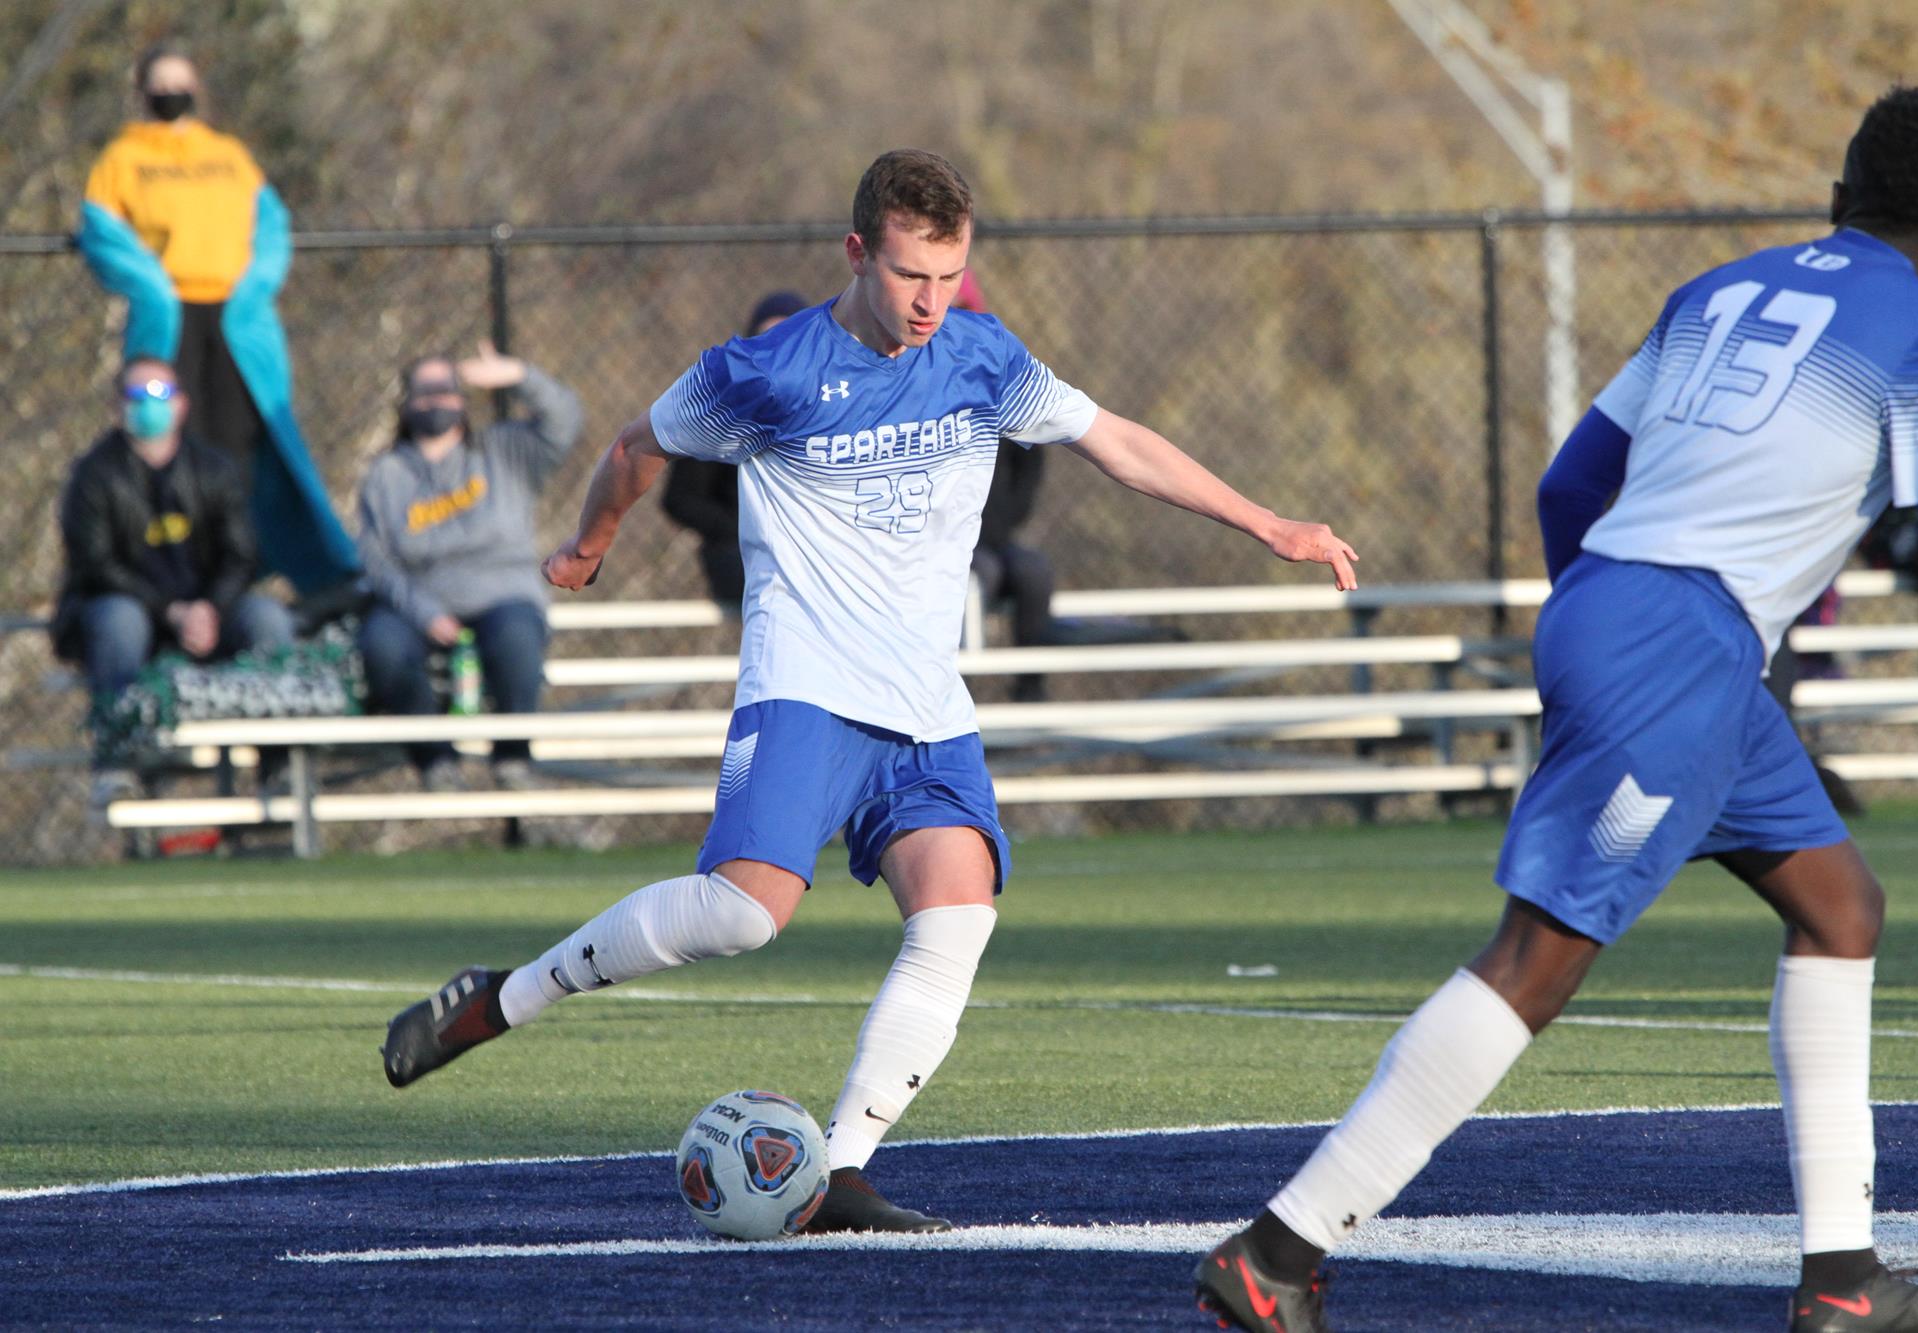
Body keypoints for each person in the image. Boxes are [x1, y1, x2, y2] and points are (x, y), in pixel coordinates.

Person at [379, 149, 1359, 1233]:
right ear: (856, 255)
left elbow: (1114, 442)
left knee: (958, 913)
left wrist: (1267, 522)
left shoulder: (982, 357)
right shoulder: (766, 372)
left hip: (925, 701)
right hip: (806, 681)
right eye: (907, 277)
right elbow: (631, 446)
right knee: (743, 915)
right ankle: (505, 996)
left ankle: (840, 1170)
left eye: (948, 276)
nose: (930, 302)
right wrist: (587, 542)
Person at [1195, 87, 1918, 1333]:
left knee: (1840, 909)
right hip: (1679, 644)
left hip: (1642, 621)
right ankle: (1276, 1253)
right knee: (1537, 958)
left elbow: (1569, 483)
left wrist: (1618, 626)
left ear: (1835, 201)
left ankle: (1841, 1280)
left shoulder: (1711, 291)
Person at [79, 41, 357, 599]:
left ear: (197, 90)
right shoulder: (122, 159)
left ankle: (243, 576)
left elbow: (270, 223)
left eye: (179, 83)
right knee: (172, 440)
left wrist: (254, 286)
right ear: (141, 93)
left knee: (242, 445)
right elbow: (101, 230)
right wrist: (152, 286)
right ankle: (172, 573)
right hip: (170, 319)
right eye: (158, 85)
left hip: (234, 320)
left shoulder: (229, 155)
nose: (170, 94)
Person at [52, 356, 295, 805]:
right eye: (137, 397)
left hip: (208, 615)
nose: (149, 406)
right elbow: (95, 565)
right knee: (118, 620)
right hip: (133, 613)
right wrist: (171, 611)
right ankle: (118, 763)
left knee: (268, 618)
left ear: (181, 405)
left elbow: (242, 556)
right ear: (117, 408)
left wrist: (209, 609)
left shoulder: (215, 470)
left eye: (160, 395)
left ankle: (278, 767)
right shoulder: (93, 475)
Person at [354, 343, 584, 790]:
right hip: (418, 601)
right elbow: (376, 560)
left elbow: (566, 421)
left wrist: (519, 374)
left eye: (445, 389)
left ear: (461, 399)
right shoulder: (386, 474)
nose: (436, 401)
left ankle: (513, 759)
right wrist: (425, 612)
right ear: (406, 402)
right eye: (424, 391)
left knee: (517, 637)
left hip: (502, 595)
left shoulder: (505, 450)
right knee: (381, 644)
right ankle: (436, 763)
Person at [658, 291, 809, 609]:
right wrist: (743, 528)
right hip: (739, 550)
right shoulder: (721, 407)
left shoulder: (829, 402)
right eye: (768, 336)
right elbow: (680, 498)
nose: (779, 348)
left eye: (790, 336)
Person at [958, 271, 1058, 701]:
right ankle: (962, 696)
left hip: (996, 537)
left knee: (1034, 572)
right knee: (977, 578)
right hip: (956, 546)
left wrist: (1012, 511)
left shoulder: (998, 384)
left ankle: (1030, 687)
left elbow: (1032, 452)